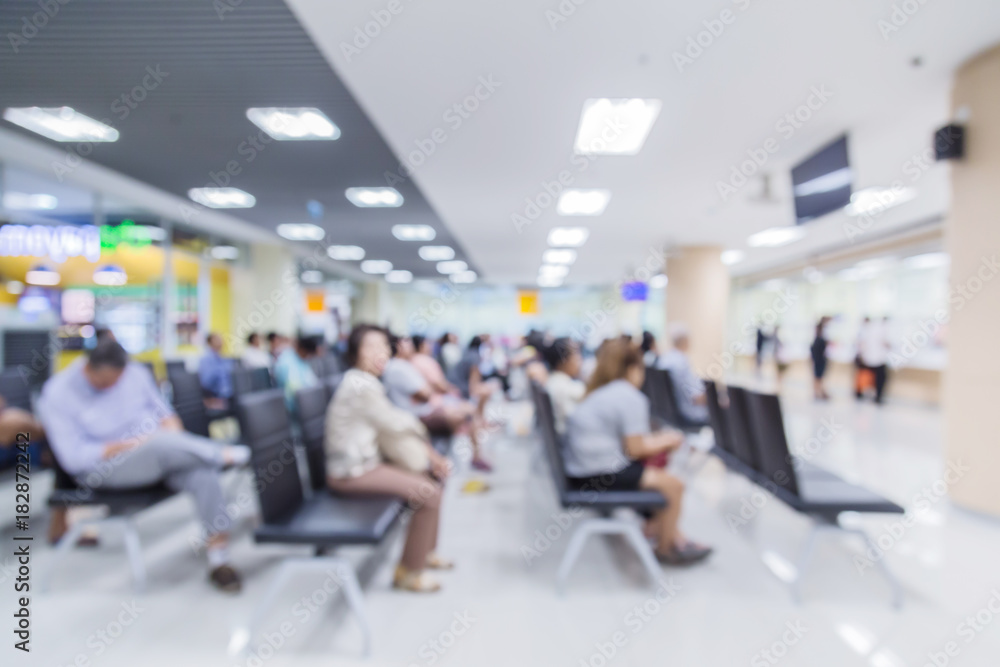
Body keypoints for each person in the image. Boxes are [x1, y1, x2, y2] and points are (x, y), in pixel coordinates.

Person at [37, 340, 248, 591]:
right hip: (104, 468)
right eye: (106, 383)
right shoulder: (58, 393)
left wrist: (170, 437)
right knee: (159, 444)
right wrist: (132, 444)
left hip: (159, 454)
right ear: (88, 369)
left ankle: (219, 558)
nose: (113, 387)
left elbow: (166, 415)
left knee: (201, 472)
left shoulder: (135, 373)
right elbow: (74, 459)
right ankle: (222, 454)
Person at [325, 325, 453, 592]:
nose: (380, 353)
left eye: (384, 346)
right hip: (351, 472)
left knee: (432, 481)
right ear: (354, 353)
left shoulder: (365, 380)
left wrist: (429, 454)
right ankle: (409, 572)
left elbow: (391, 425)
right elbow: (395, 422)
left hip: (366, 463)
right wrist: (427, 446)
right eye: (370, 347)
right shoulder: (360, 384)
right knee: (428, 493)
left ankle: (424, 553)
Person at [564, 339, 712, 565]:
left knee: (657, 477)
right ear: (633, 368)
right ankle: (666, 549)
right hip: (598, 474)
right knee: (674, 486)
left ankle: (666, 532)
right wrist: (667, 441)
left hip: (582, 468)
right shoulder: (629, 396)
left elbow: (629, 445)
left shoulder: (601, 392)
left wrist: (657, 441)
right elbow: (635, 449)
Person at [450, 336, 495, 471]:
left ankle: (481, 420)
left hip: (455, 390)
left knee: (486, 392)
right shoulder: (475, 358)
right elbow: (473, 387)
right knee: (483, 396)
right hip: (456, 393)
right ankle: (476, 457)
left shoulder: (468, 354)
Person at [656, 324, 709, 426]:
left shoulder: (664, 359)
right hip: (689, 414)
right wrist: (715, 399)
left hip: (671, 414)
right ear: (685, 340)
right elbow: (695, 397)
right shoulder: (681, 362)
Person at [543, 337, 585, 434]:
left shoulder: (554, 381)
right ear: (563, 361)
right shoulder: (566, 388)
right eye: (576, 355)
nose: (580, 360)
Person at [273, 335, 320, 414]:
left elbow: (313, 382)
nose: (309, 357)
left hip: (305, 403)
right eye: (309, 354)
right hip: (290, 408)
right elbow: (292, 391)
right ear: (303, 350)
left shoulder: (302, 361)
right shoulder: (286, 362)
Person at [857, 317, 891, 404]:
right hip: (875, 359)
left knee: (871, 378)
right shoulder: (881, 330)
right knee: (876, 379)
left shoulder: (869, 330)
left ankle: (862, 394)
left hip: (871, 358)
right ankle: (876, 396)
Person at [198, 332, 234, 407]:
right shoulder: (206, 359)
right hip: (217, 396)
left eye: (221, 339)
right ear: (209, 342)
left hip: (230, 393)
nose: (221, 341)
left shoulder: (223, 358)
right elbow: (206, 383)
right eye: (217, 339)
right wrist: (219, 371)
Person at [811, 317, 832, 400]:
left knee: (820, 377)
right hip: (818, 360)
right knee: (818, 377)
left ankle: (820, 391)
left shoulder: (821, 339)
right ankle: (817, 392)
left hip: (821, 359)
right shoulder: (818, 340)